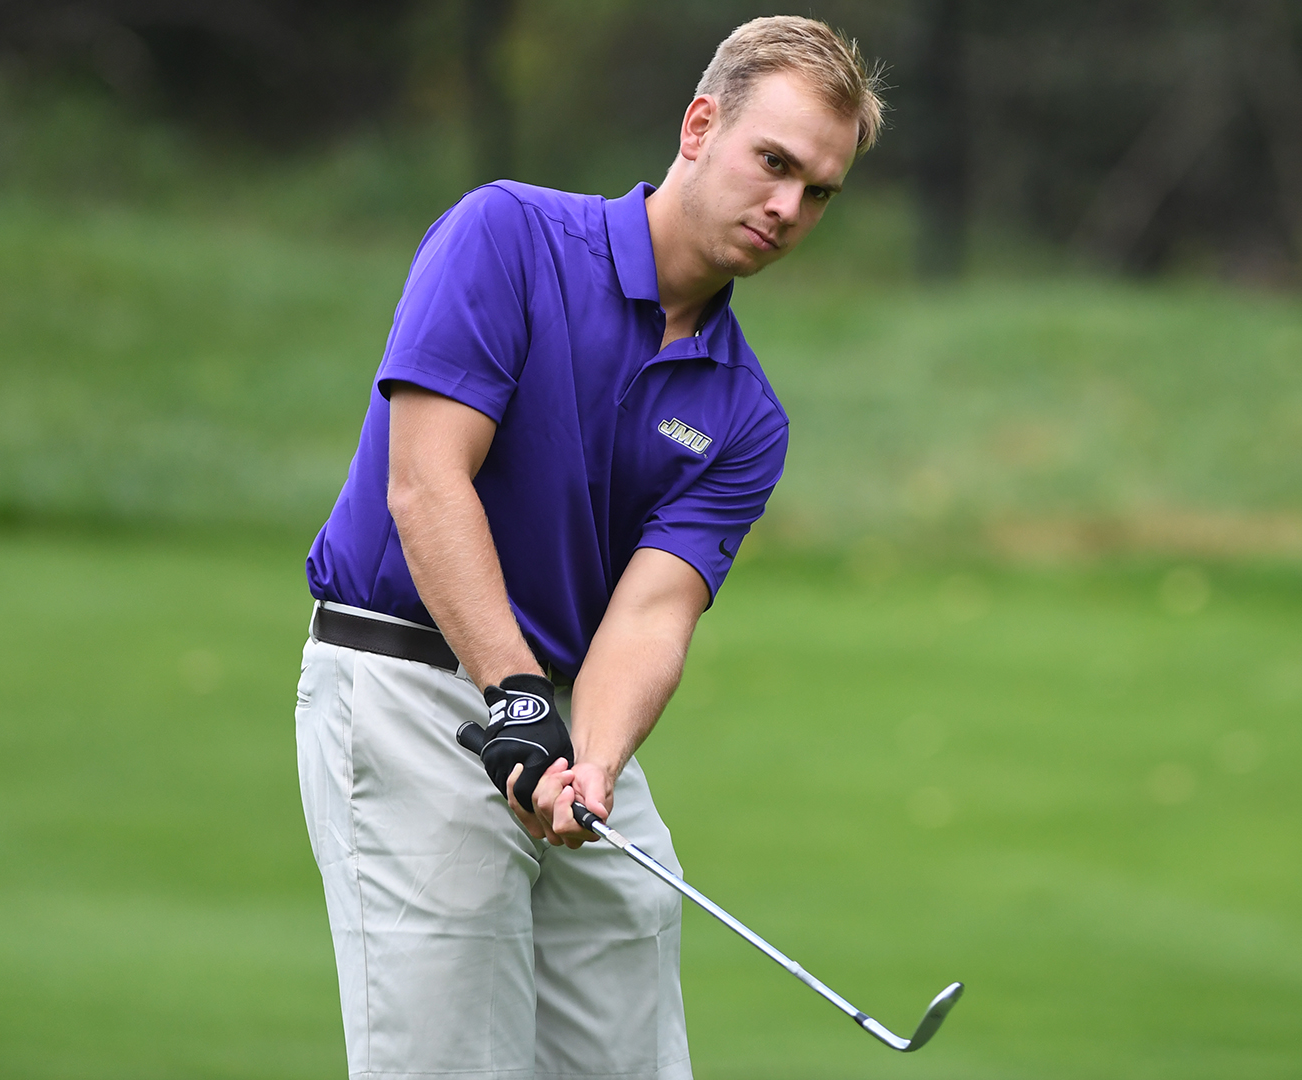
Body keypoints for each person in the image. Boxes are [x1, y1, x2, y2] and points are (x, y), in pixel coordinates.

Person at [293, 17, 884, 1080]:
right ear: (700, 127)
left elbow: (652, 613)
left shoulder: (746, 415)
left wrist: (594, 766)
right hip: (406, 686)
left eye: (819, 192)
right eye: (774, 163)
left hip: (562, 723)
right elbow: (427, 484)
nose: (789, 209)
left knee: (630, 1001)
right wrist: (517, 697)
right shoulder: (508, 236)